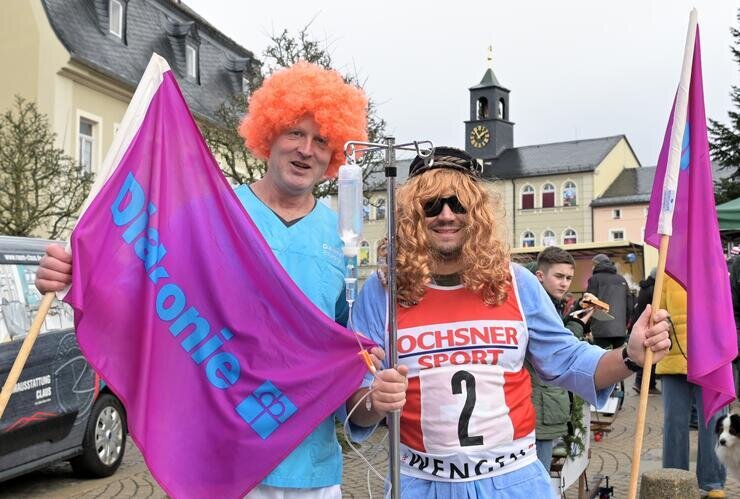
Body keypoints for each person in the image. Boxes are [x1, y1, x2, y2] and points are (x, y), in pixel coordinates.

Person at [35, 62, 370, 499]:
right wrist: (72, 278)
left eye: (321, 139)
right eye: (294, 133)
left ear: (333, 156)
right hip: (219, 463)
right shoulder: (211, 215)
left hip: (311, 467)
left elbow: (348, 350)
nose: (306, 149)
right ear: (268, 136)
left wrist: (369, 399)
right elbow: (147, 287)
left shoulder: (342, 235)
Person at [346, 147, 672, 498]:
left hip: (513, 483)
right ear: (412, 215)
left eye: (458, 203)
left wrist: (629, 357)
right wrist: (374, 402)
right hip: (421, 484)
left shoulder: (516, 283)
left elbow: (568, 361)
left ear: (477, 213)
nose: (445, 215)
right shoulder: (382, 292)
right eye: (431, 205)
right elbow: (354, 401)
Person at [657, 275, 727, 498]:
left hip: (711, 360)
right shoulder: (666, 275)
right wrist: (661, 323)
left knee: (714, 422)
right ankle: (674, 479)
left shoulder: (714, 269)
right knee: (673, 424)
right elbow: (657, 314)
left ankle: (712, 482)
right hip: (673, 360)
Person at [528, 246, 593, 470]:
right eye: (558, 276)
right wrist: (577, 325)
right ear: (540, 276)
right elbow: (554, 352)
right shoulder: (535, 306)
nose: (564, 283)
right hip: (538, 406)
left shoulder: (547, 302)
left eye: (568, 278)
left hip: (545, 405)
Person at [586, 253, 632, 350]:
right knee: (619, 358)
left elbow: (589, 302)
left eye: (593, 265)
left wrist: (587, 326)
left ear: (597, 264)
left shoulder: (594, 279)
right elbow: (629, 305)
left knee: (601, 357)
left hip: (600, 327)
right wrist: (625, 323)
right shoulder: (621, 279)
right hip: (620, 328)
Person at [630, 267, 660, 394]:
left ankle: (644, 384)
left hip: (640, 323)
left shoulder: (644, 288)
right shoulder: (654, 289)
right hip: (648, 325)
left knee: (646, 355)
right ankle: (644, 384)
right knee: (648, 356)